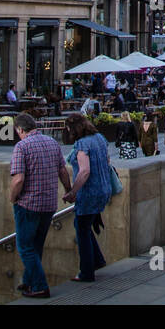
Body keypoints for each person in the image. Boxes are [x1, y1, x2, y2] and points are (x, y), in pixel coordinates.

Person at [9, 112, 71, 299]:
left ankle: (40, 285)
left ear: (20, 129)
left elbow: (18, 179)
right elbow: (62, 170)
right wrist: (68, 190)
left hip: (28, 204)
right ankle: (29, 281)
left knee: (25, 247)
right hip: (49, 203)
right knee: (36, 246)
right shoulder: (52, 142)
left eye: (17, 131)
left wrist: (12, 197)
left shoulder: (21, 146)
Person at [61, 113, 114, 282]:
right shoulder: (99, 138)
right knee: (83, 224)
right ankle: (97, 260)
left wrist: (72, 192)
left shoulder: (82, 144)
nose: (68, 132)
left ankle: (87, 271)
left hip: (89, 192)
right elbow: (107, 161)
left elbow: (84, 171)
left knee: (82, 229)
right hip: (104, 188)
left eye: (69, 128)